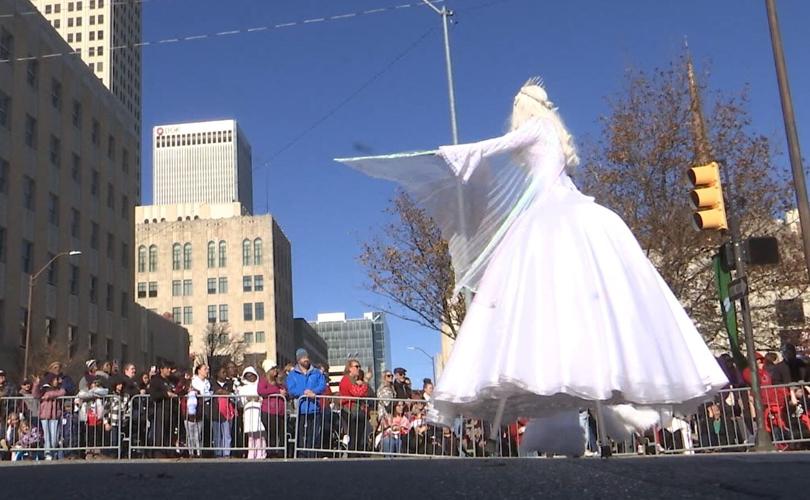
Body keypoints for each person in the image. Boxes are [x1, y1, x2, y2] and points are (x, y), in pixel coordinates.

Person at [338, 78, 728, 448]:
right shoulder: (554, 134)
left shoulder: (538, 127)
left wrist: (454, 155)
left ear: (524, 108)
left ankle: (576, 421)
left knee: (539, 308)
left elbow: (498, 146)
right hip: (566, 214)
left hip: (550, 220)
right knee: (569, 312)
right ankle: (576, 421)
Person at [286, 348, 326, 458]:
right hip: (300, 409)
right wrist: (304, 393)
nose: (306, 359)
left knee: (314, 434)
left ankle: (312, 454)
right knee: (301, 433)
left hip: (314, 408)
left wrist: (314, 392)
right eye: (303, 357)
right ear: (298, 360)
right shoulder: (292, 375)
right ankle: (301, 455)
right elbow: (291, 389)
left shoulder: (316, 373)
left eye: (307, 357)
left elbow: (322, 385)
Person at [339, 359, 372, 453]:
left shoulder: (353, 380)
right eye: (356, 366)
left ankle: (355, 455)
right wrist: (366, 381)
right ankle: (352, 457)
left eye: (359, 366)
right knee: (354, 437)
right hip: (350, 411)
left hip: (356, 410)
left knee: (358, 437)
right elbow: (357, 393)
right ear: (350, 368)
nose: (359, 369)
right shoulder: (347, 379)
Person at [33, 373, 66, 460]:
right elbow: (35, 395)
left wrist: (49, 395)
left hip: (55, 416)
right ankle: (48, 453)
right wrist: (36, 384)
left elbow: (62, 392)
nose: (56, 381)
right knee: (47, 436)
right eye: (55, 380)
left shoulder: (59, 389)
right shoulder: (44, 389)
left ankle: (53, 452)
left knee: (55, 437)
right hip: (45, 416)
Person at [258, 360, 286, 457]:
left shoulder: (278, 381)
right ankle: (271, 453)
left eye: (276, 368)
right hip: (269, 411)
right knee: (271, 434)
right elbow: (261, 391)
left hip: (280, 411)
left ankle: (281, 453)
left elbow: (285, 390)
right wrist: (277, 391)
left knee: (281, 433)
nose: (275, 370)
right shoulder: (263, 380)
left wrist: (285, 392)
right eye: (273, 369)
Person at [237, 367, 266, 459]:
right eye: (248, 376)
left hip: (258, 411)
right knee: (251, 436)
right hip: (248, 412)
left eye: (252, 375)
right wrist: (247, 399)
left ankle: (261, 453)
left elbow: (263, 397)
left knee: (260, 434)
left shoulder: (259, 386)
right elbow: (240, 402)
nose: (250, 377)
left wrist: (258, 398)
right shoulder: (242, 388)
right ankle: (251, 453)